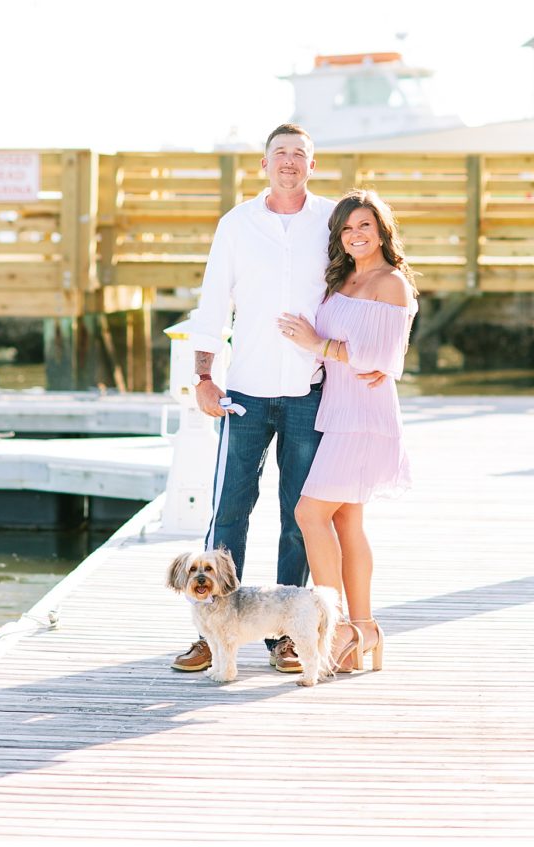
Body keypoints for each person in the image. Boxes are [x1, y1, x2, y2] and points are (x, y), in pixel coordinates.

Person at [174, 123, 347, 676]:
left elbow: (363, 285)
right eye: (280, 153)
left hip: (309, 390)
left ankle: (285, 638)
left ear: (311, 166)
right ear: (265, 163)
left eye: (300, 154)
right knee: (229, 509)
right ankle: (208, 630)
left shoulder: (332, 221)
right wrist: (204, 376)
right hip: (244, 391)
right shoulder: (237, 224)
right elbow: (210, 305)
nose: (290, 162)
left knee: (299, 517)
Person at [277, 189, 416, 674]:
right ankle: (365, 629)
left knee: (308, 514)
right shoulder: (344, 280)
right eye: (347, 229)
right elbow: (351, 351)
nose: (356, 235)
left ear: (382, 230)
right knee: (345, 522)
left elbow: (381, 359)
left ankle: (336, 631)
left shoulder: (391, 282)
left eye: (365, 226)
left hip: (364, 417)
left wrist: (321, 343)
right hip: (337, 409)